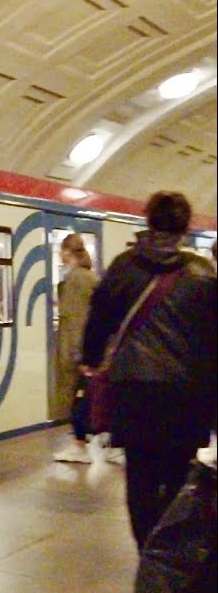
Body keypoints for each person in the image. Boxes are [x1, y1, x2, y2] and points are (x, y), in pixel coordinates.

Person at [80, 191, 216, 552]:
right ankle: (168, 555)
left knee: (139, 477)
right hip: (185, 395)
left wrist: (91, 360)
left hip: (134, 390)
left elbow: (98, 321)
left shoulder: (124, 266)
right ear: (186, 227)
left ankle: (146, 550)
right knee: (178, 476)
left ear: (148, 220)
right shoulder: (202, 274)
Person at [52, 234, 100, 463]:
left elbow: (75, 320)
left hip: (77, 352)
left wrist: (78, 356)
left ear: (66, 252)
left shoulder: (76, 279)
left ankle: (79, 446)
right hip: (86, 350)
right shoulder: (88, 276)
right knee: (86, 398)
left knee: (79, 399)